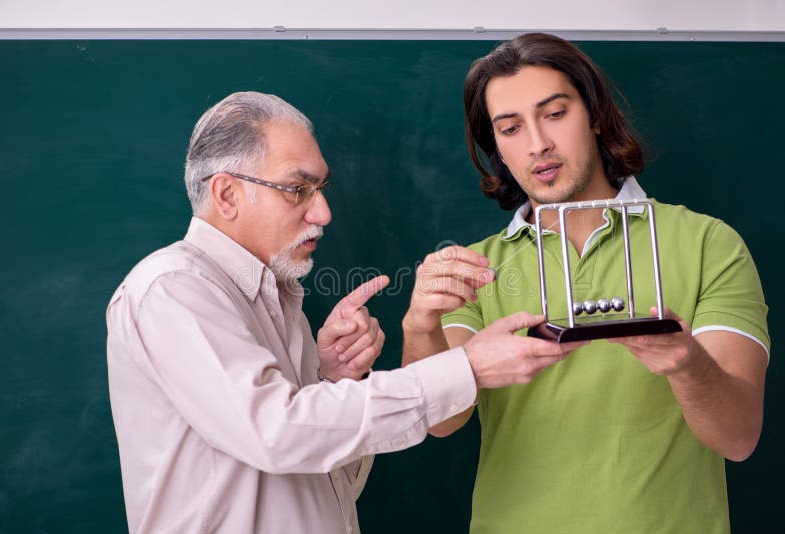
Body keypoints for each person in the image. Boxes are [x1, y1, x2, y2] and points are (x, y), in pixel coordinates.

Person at [106, 91, 583, 534]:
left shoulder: (280, 296)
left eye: (321, 188)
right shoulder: (173, 288)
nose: (324, 213)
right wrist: (466, 367)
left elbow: (325, 481)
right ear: (227, 194)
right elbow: (276, 433)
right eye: (299, 189)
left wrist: (335, 380)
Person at [401, 33, 769, 533]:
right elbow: (440, 421)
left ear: (594, 114)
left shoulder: (709, 244)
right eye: (510, 128)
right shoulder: (477, 268)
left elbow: (739, 438)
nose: (538, 144)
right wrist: (420, 325)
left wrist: (688, 365)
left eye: (555, 114)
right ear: (497, 149)